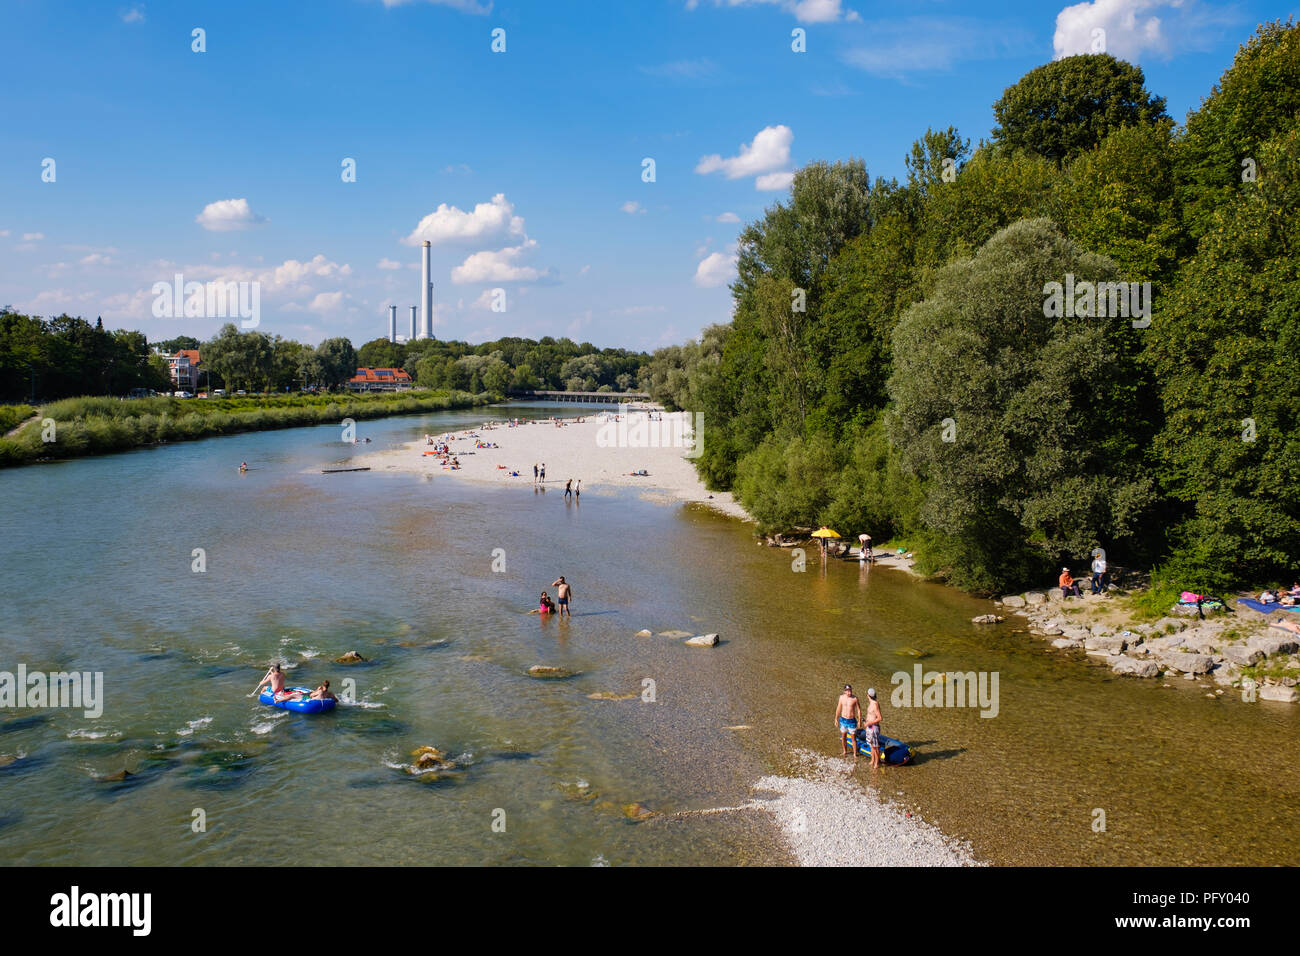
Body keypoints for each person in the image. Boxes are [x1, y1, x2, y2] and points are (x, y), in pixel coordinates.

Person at [835, 685, 861, 759]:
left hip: (851, 721)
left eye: (850, 690)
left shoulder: (855, 699)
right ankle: (844, 751)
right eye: (847, 691)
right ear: (845, 691)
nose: (849, 692)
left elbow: (859, 710)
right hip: (843, 720)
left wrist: (859, 720)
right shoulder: (841, 698)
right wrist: (836, 718)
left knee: (853, 738)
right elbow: (838, 708)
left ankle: (855, 754)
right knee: (843, 737)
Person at [863, 688, 884, 769]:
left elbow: (880, 718)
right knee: (871, 745)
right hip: (869, 727)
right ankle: (872, 760)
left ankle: (876, 763)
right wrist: (866, 722)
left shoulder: (875, 704)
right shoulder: (871, 703)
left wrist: (869, 723)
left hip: (874, 728)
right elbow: (871, 715)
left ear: (867, 695)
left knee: (875, 746)